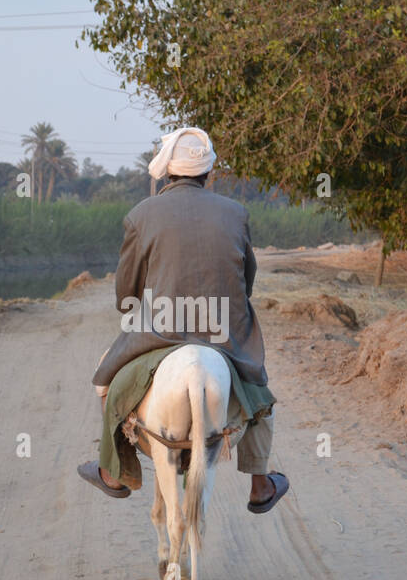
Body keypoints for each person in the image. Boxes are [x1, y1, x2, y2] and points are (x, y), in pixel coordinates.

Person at [77, 127, 289, 513]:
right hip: (223, 332)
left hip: (158, 331)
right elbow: (247, 281)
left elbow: (126, 293)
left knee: (105, 383)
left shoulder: (140, 214)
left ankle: (113, 472)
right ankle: (260, 483)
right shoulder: (236, 213)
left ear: (168, 171)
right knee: (257, 385)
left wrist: (139, 309)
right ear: (208, 173)